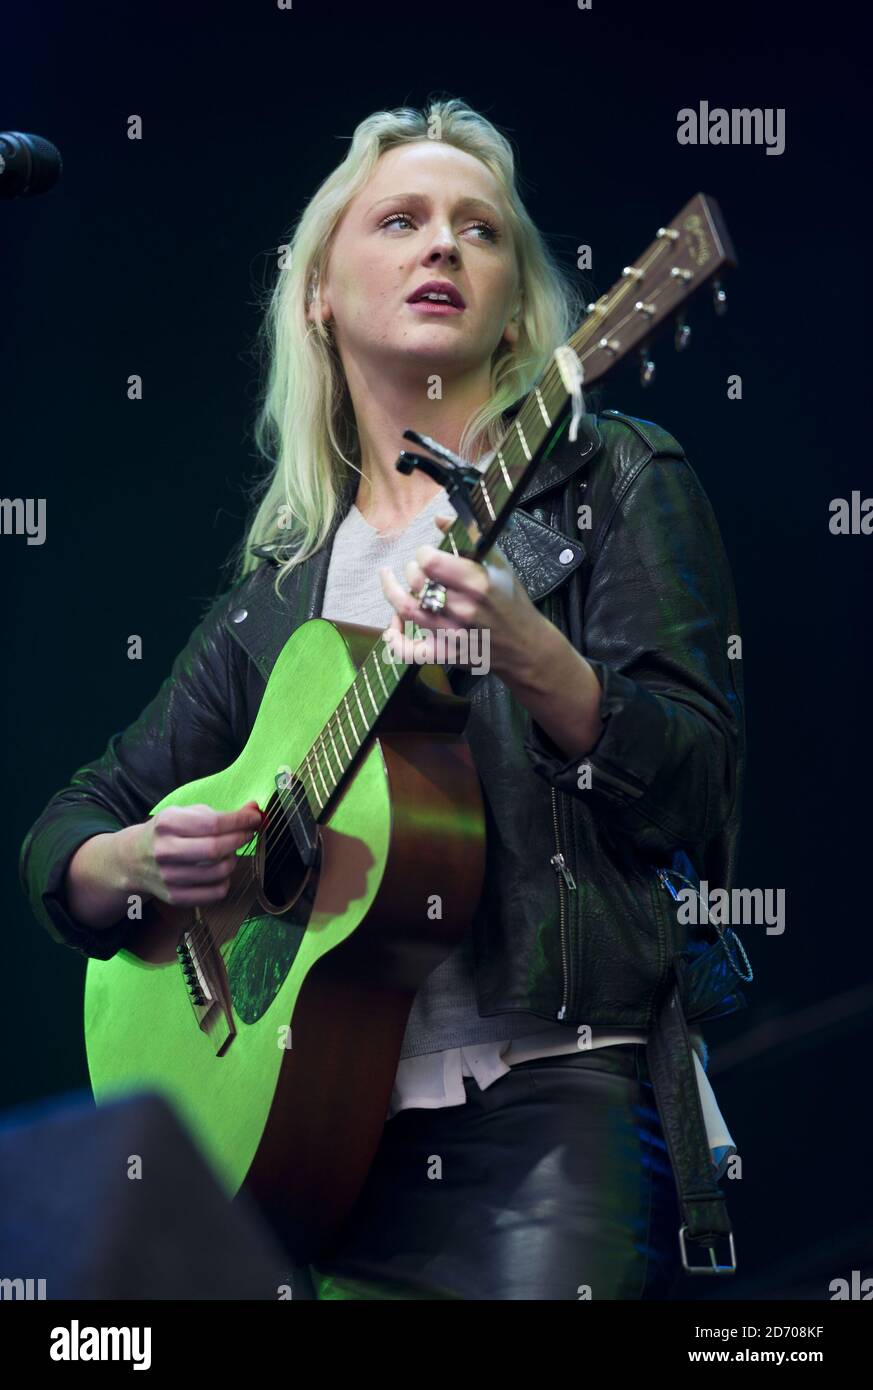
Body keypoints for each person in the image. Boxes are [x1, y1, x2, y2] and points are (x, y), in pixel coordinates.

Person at [20, 97, 749, 1300]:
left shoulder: (610, 476)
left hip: (555, 1115)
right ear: (318, 293)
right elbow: (71, 828)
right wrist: (141, 860)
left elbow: (704, 787)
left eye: (481, 230)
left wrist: (535, 657)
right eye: (401, 220)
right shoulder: (277, 603)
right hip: (332, 1162)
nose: (443, 247)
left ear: (519, 300)